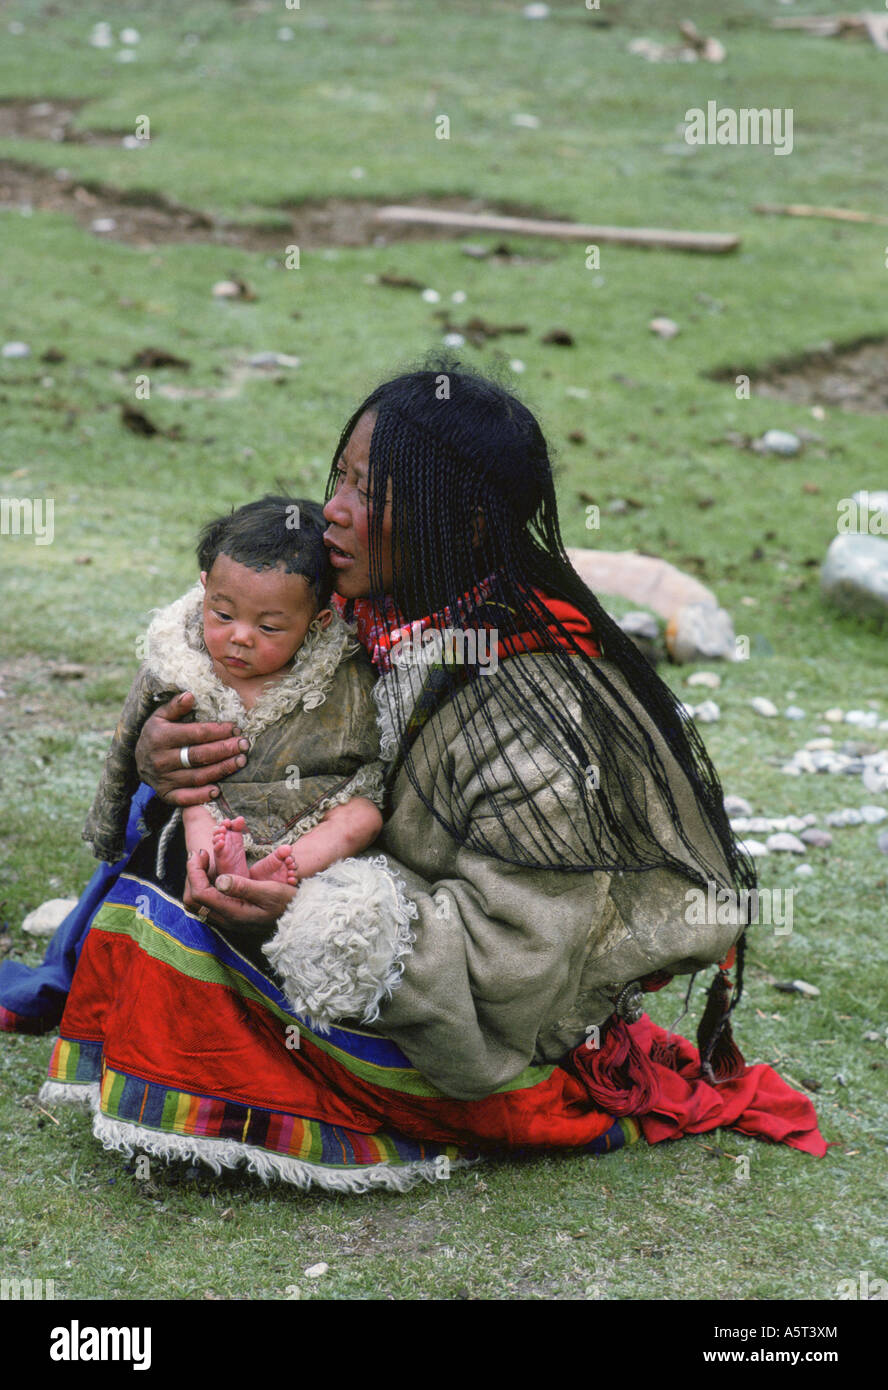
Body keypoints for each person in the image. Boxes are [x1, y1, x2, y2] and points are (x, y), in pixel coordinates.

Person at [3, 360, 826, 1189]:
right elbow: (233, 693)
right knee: (174, 856)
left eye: (371, 491)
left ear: (463, 524)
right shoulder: (367, 614)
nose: (334, 509)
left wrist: (308, 908)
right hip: (345, 882)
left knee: (163, 944)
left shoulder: (532, 712)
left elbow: (518, 975)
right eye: (343, 478)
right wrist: (164, 753)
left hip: (481, 1026)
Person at [81, 495, 385, 905]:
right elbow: (125, 743)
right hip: (219, 799)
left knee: (362, 817)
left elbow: (370, 747)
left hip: (311, 803)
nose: (240, 637)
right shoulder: (180, 663)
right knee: (196, 809)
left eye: (270, 627)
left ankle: (279, 869)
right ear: (205, 589)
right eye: (223, 615)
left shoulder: (338, 668)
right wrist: (108, 828)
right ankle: (213, 870)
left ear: (318, 622)